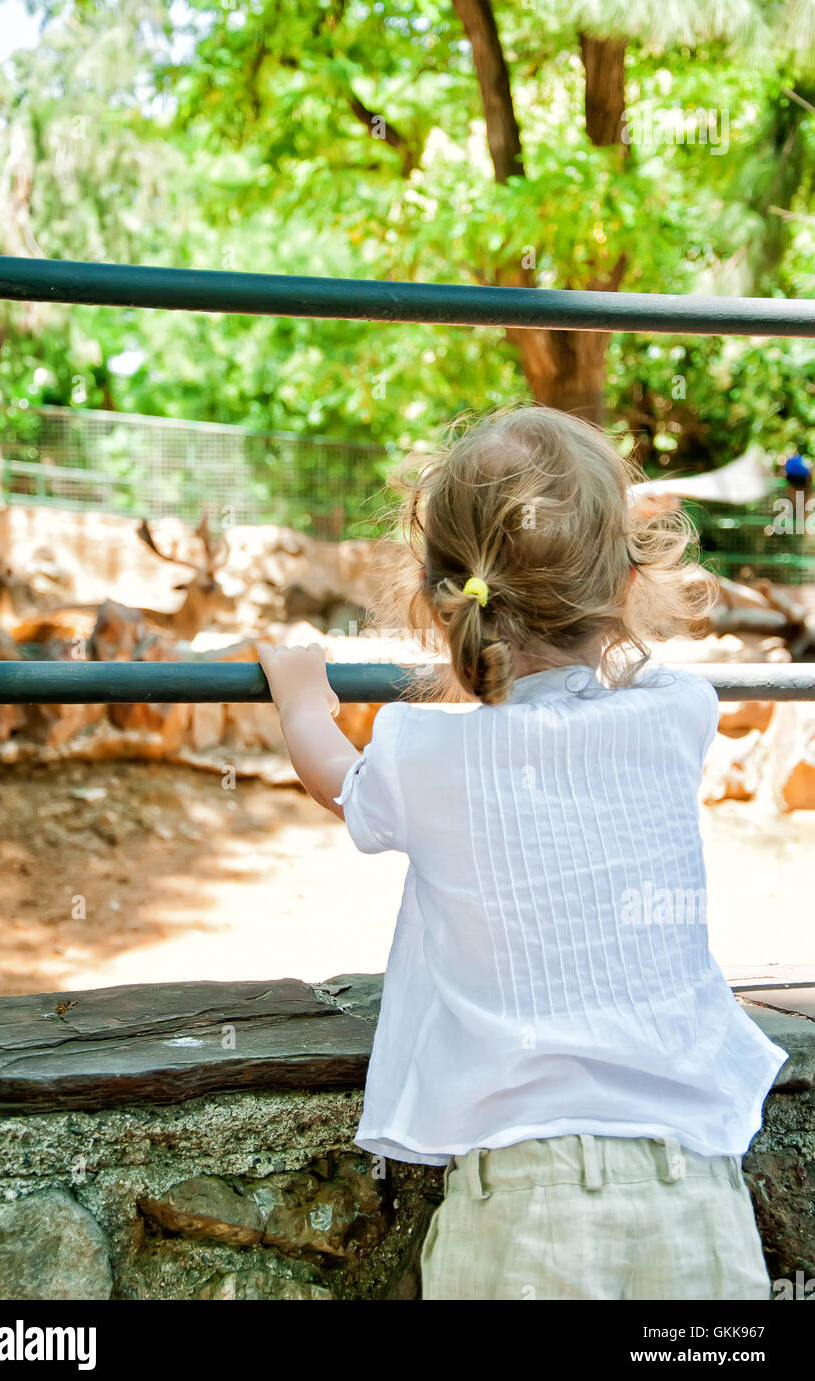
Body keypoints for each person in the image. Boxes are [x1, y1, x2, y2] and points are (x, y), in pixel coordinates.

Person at [258, 405, 787, 1301]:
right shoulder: (680, 714)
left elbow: (340, 780)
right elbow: (632, 675)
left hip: (523, 1218)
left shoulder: (425, 753)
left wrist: (300, 693)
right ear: (626, 583)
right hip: (699, 1196)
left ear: (439, 599)